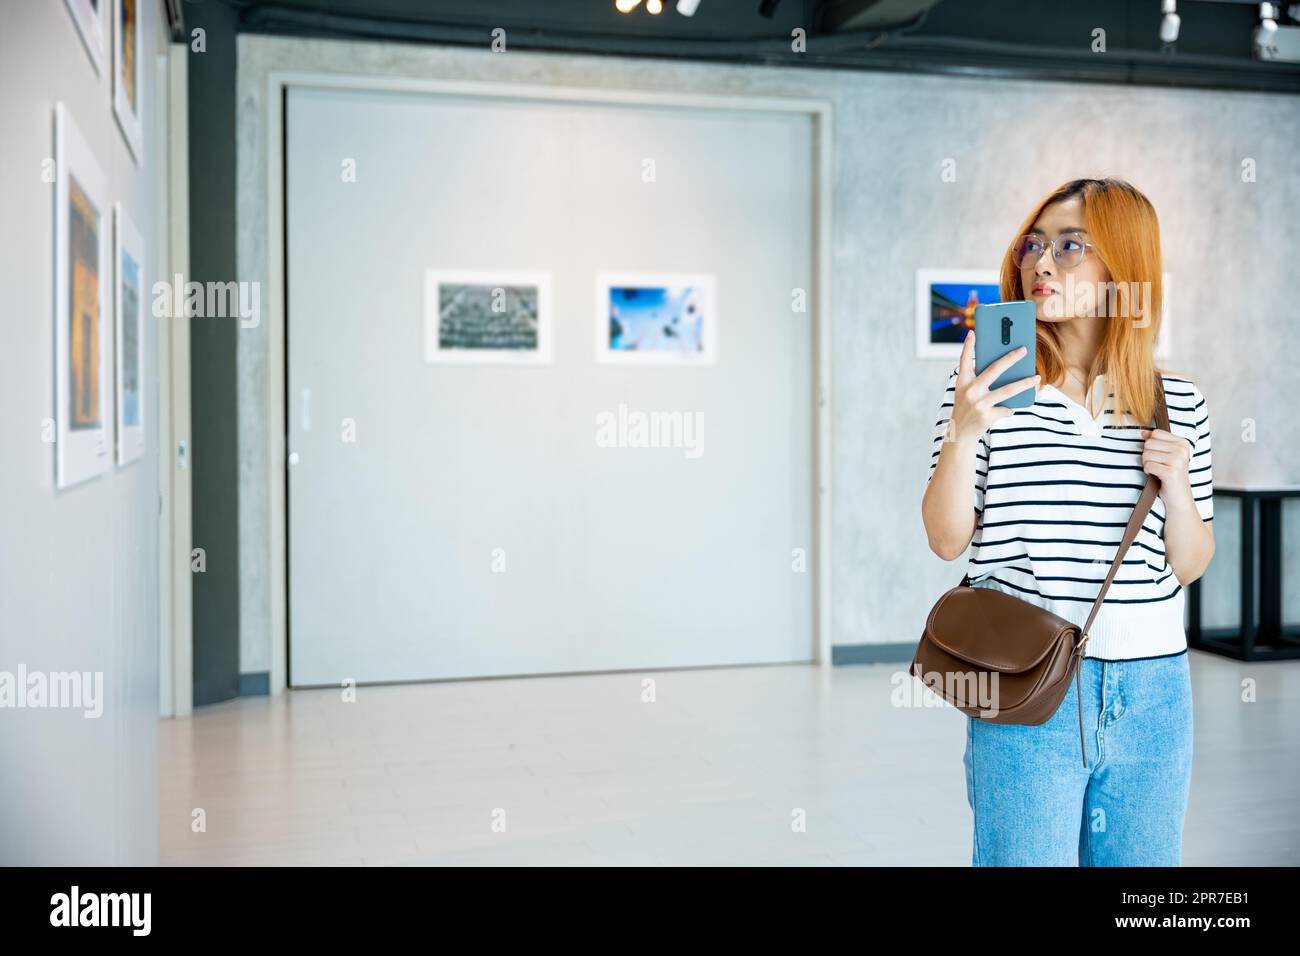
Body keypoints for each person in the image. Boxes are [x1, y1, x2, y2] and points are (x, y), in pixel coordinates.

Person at [921, 178, 1215, 866]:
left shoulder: (1179, 403)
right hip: (1029, 682)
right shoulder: (990, 390)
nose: (1041, 263)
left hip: (1154, 693)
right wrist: (964, 434)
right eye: (1034, 243)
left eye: (1070, 246)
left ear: (1124, 266)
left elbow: (1192, 562)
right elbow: (944, 539)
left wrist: (1177, 491)